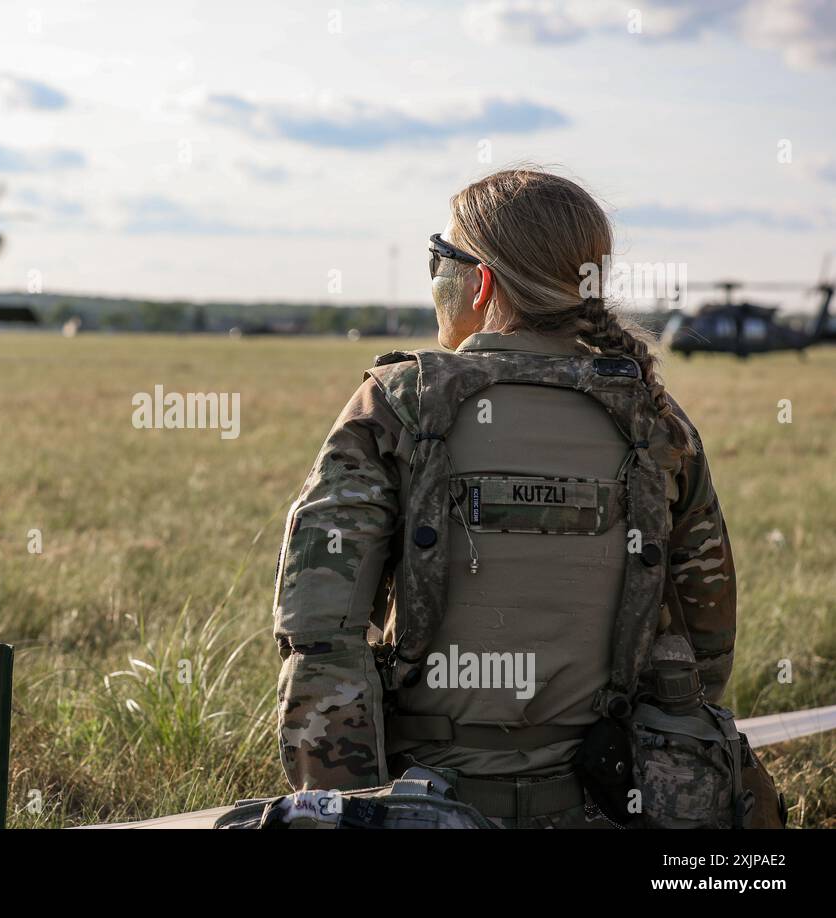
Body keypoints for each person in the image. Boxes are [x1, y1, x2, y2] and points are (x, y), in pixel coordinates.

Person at [272, 168, 736, 828]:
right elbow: (707, 648)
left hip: (429, 808)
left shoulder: (397, 405)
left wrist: (361, 811)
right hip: (616, 806)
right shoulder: (657, 421)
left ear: (479, 282)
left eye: (442, 258)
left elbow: (320, 639)